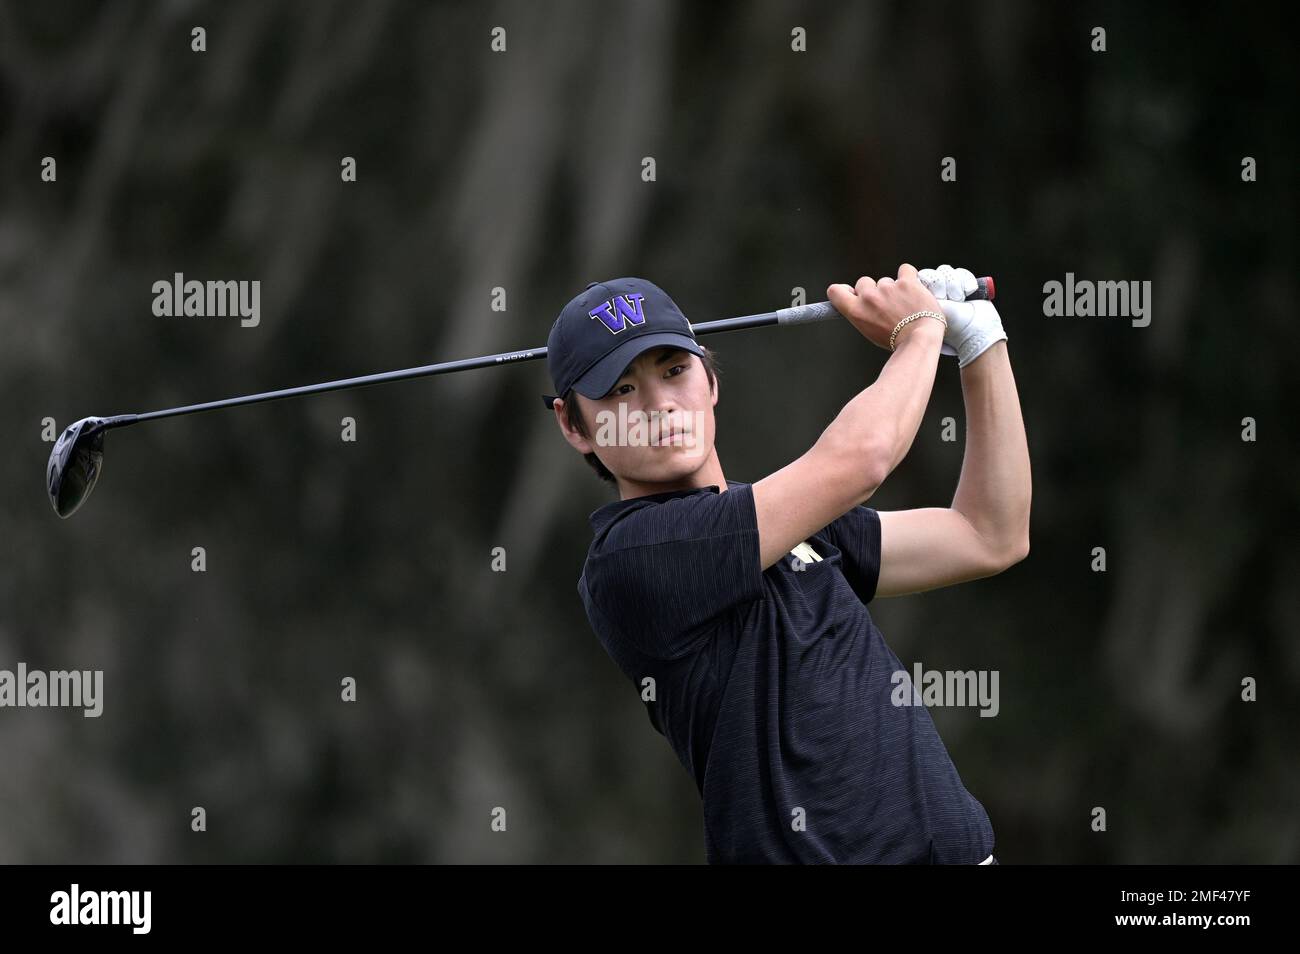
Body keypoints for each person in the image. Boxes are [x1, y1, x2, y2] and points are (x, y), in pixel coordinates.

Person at [542, 265, 1031, 863]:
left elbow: (989, 534)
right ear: (573, 424)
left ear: (710, 380)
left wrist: (981, 343)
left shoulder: (789, 524)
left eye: (674, 371)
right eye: (622, 390)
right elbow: (863, 460)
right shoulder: (632, 558)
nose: (659, 405)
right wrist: (922, 330)